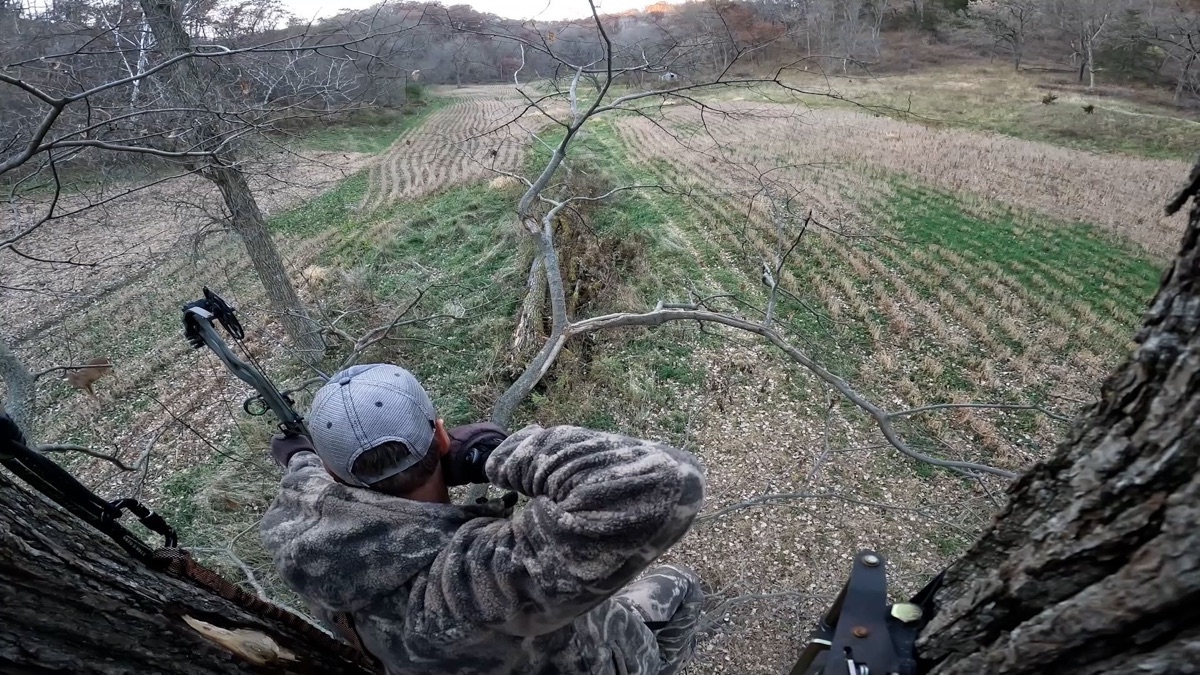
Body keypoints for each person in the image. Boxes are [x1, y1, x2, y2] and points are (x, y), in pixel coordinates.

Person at [261, 363, 707, 675]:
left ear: (334, 473)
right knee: (681, 585)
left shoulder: (305, 549)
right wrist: (496, 454)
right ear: (440, 435)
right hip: (600, 661)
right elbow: (668, 480)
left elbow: (309, 482)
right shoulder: (473, 580)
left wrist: (303, 459)